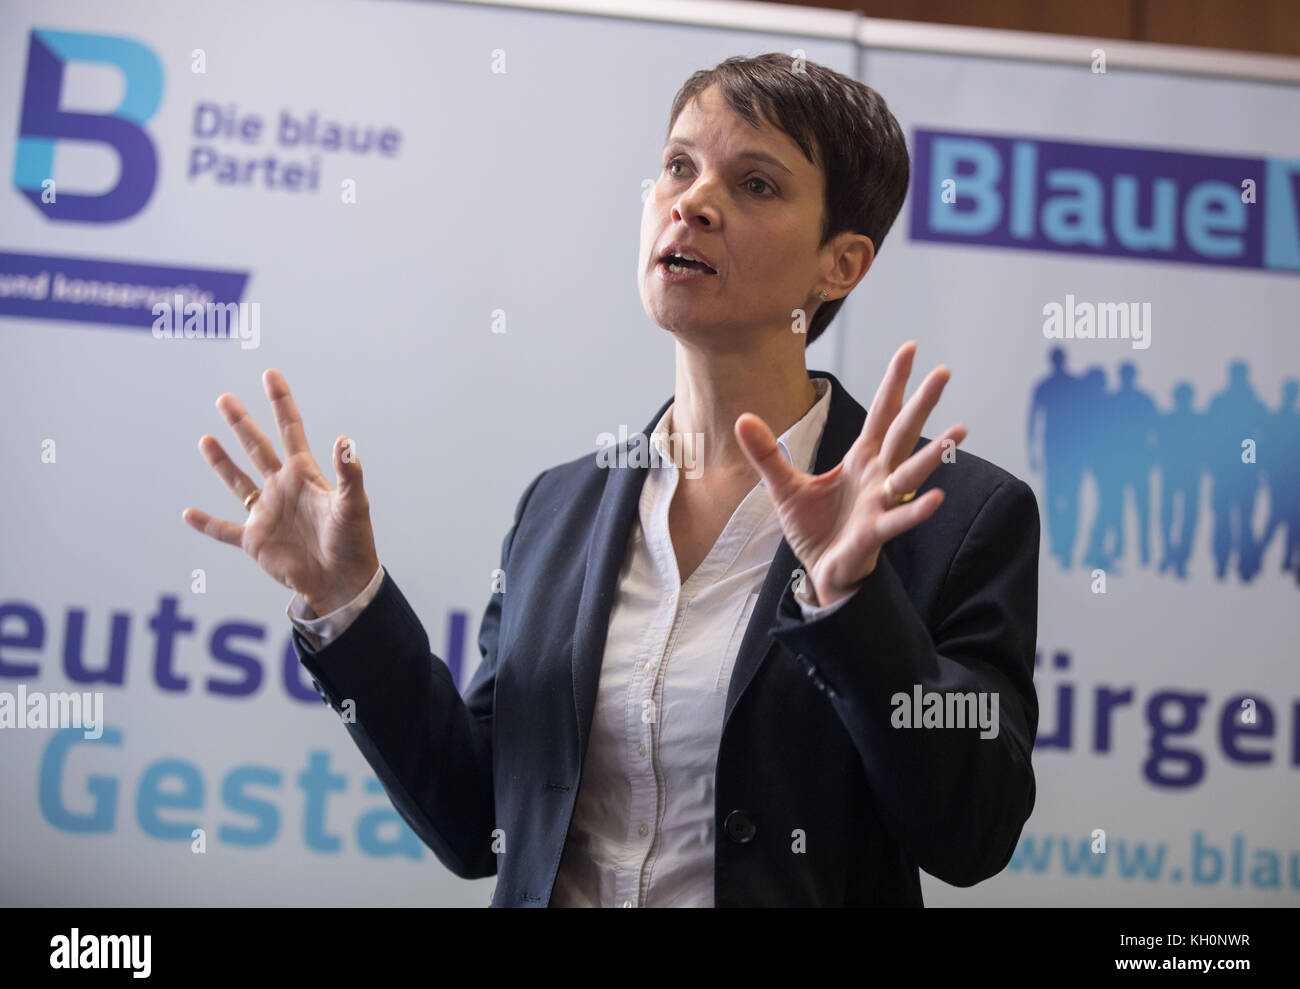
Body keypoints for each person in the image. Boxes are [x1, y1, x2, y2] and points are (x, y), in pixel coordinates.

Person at [183, 54, 1040, 907]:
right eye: (679, 166)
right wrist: (347, 601)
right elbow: (475, 819)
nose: (693, 203)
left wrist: (853, 603)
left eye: (755, 185)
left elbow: (972, 834)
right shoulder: (558, 508)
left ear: (840, 265)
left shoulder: (950, 514)